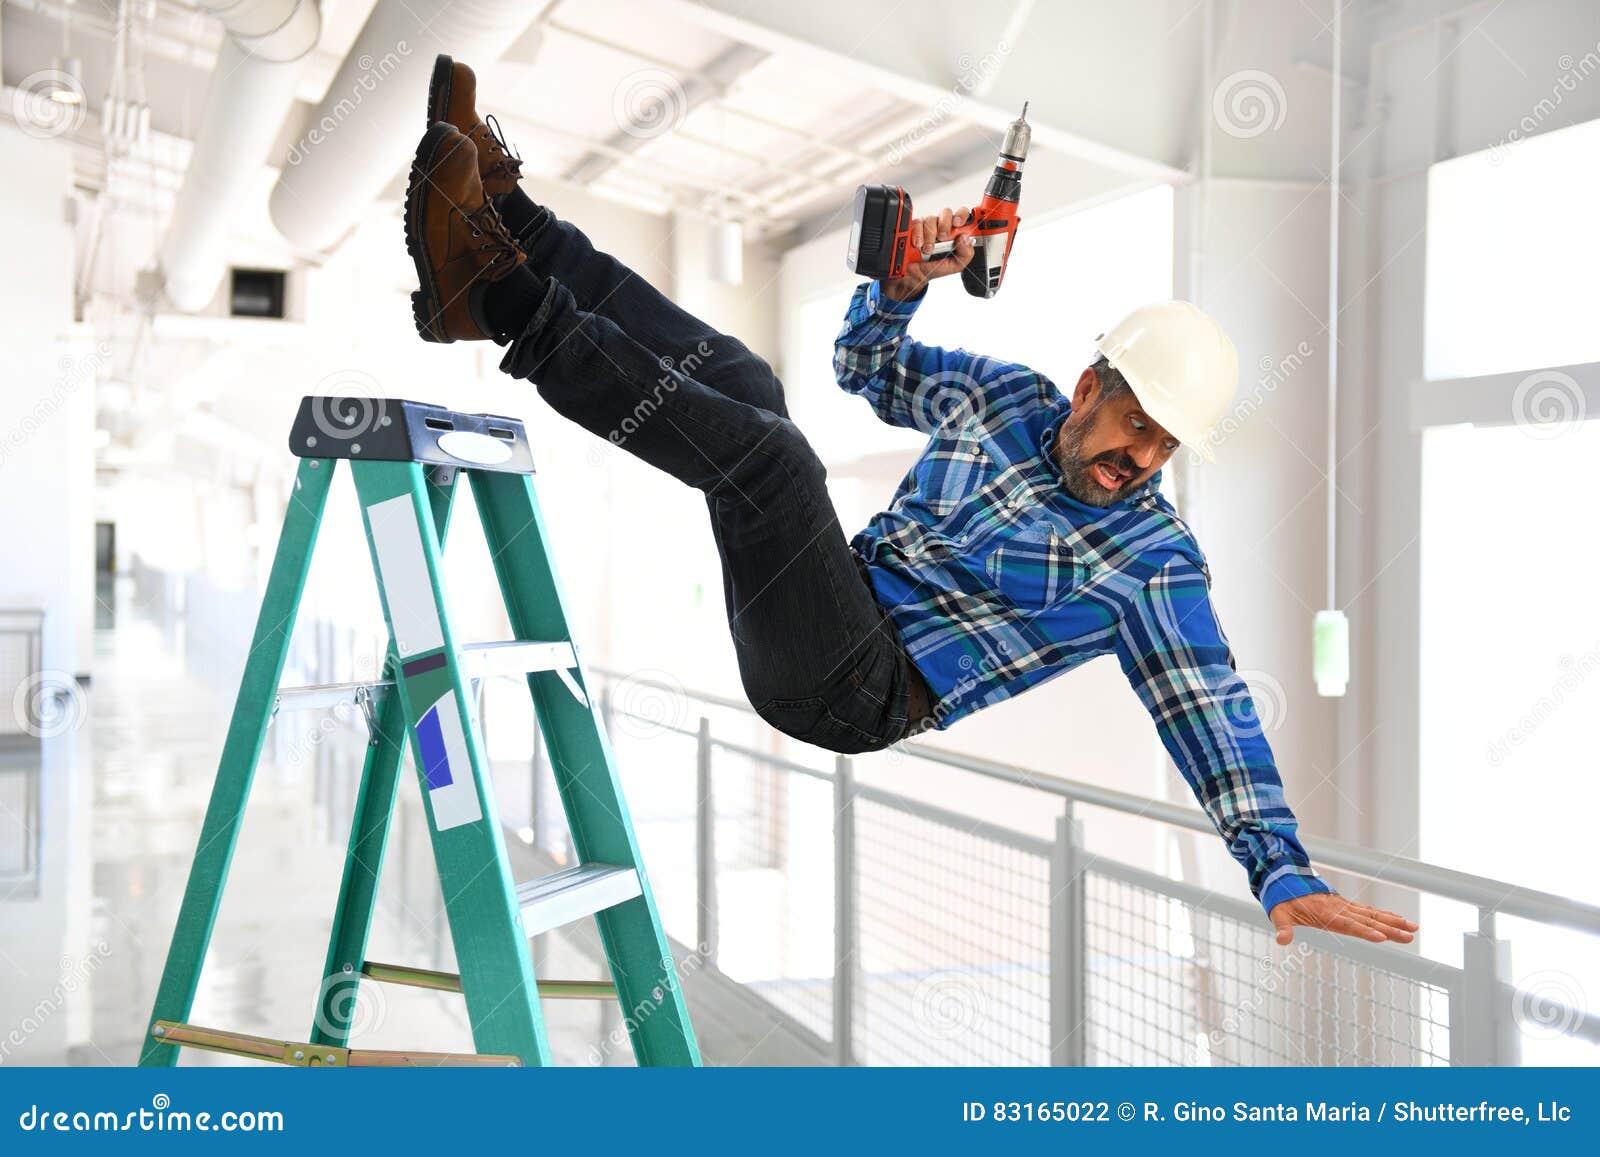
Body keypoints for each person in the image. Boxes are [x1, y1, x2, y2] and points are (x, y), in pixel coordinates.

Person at [404, 55, 1417, 947]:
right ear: (1086, 388)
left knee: (775, 463)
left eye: (1163, 444)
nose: (1140, 457)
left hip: (857, 690)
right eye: (1134, 423)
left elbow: (1212, 713)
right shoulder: (1001, 397)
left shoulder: (1151, 564)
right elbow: (864, 366)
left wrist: (1279, 867)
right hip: (835, 595)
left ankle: (499, 300)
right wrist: (900, 285)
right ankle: (517, 233)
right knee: (755, 383)